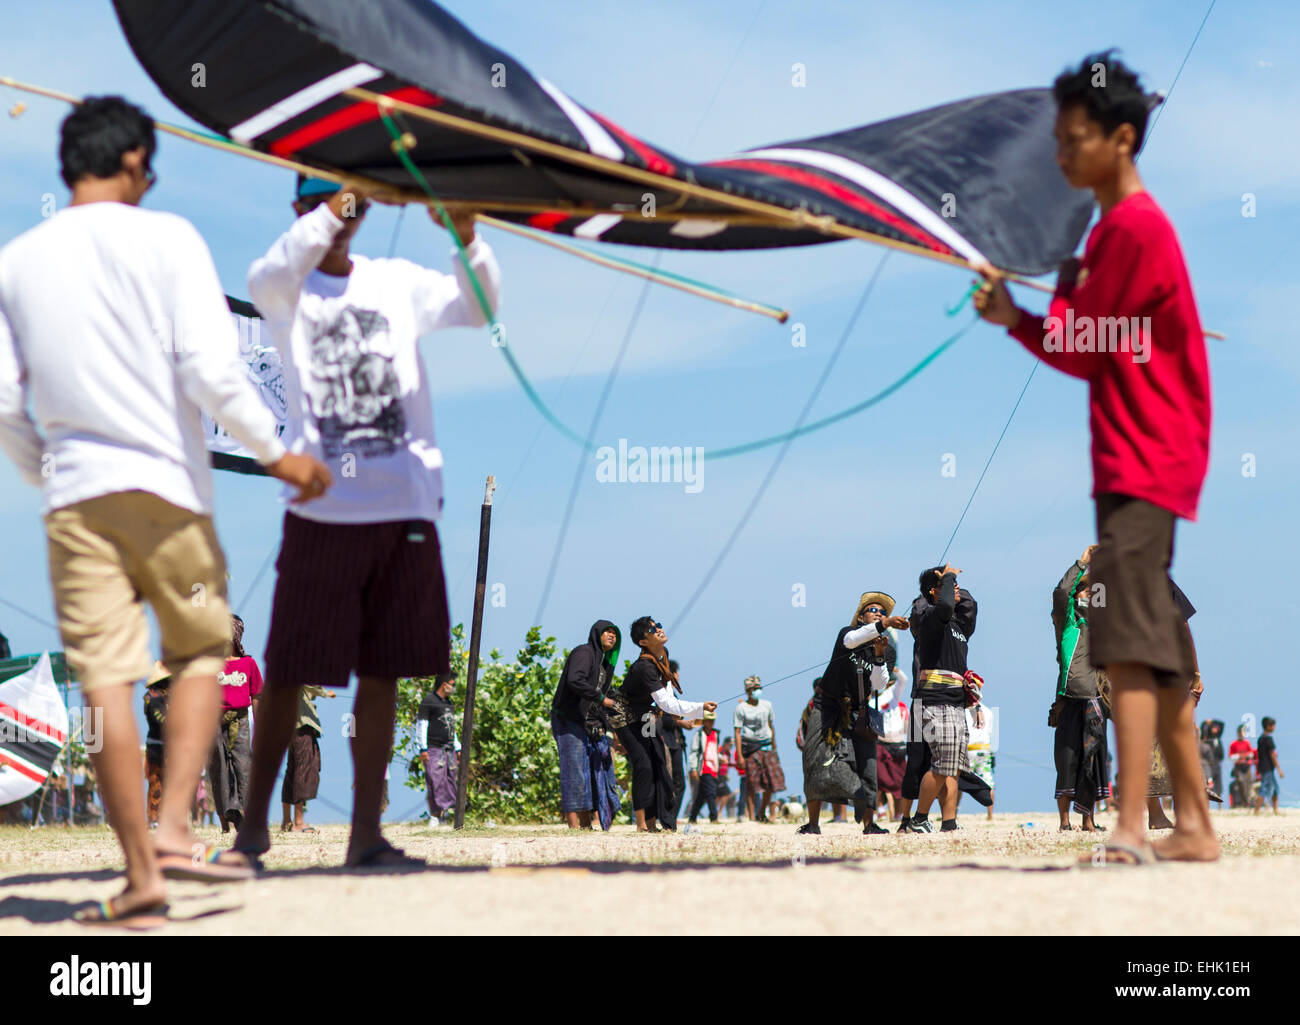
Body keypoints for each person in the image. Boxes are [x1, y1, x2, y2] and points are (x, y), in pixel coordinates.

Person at [0, 97, 331, 924]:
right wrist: (279, 452)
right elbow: (215, 373)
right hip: (171, 492)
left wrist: (50, 472)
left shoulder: (18, 261)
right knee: (196, 656)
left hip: (79, 499)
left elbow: (7, 402)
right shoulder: (170, 239)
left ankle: (142, 869)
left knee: (109, 682)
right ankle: (177, 829)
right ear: (139, 160)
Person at [976, 52, 1215, 865]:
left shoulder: (1137, 228)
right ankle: (1195, 828)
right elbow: (1093, 340)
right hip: (1137, 459)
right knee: (1160, 646)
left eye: (1075, 138)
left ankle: (1130, 828)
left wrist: (1019, 314)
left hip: (1149, 458)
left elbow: (1084, 341)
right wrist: (1048, 299)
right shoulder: (1113, 231)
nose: (1060, 154)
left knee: (1123, 635)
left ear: (1121, 136)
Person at [232, 175, 498, 869]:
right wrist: (343, 200)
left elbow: (476, 305)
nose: (339, 216)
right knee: (290, 667)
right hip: (324, 505)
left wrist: (466, 233)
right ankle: (252, 830)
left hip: (402, 504)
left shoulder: (394, 282)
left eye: (351, 202)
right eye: (322, 203)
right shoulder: (281, 287)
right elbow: (279, 263)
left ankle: (365, 836)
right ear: (300, 210)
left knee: (384, 671)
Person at [803, 593, 911, 835]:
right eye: (873, 610)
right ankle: (812, 825)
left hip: (858, 712)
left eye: (883, 612)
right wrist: (886, 624)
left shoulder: (886, 648)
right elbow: (853, 640)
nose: (879, 614)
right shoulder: (847, 633)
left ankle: (869, 824)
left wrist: (880, 656)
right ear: (862, 616)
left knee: (868, 765)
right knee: (816, 760)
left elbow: (879, 684)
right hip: (828, 705)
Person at [617, 617, 716, 832]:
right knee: (643, 765)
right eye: (652, 629)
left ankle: (657, 822)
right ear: (643, 642)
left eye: (658, 624)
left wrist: (689, 710)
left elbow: (667, 691)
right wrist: (700, 707)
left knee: (658, 762)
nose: (659, 629)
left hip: (645, 715)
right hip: (624, 717)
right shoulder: (644, 667)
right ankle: (642, 824)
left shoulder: (663, 655)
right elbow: (667, 703)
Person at [904, 565, 978, 833]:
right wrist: (944, 579)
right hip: (934, 701)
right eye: (950, 586)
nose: (956, 589)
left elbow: (969, 602)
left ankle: (949, 823)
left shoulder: (959, 625)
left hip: (955, 702)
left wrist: (950, 577)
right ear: (933, 593)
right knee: (941, 763)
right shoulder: (930, 618)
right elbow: (945, 605)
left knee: (953, 766)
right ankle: (919, 819)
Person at [1050, 548, 1110, 832]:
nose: (1088, 595)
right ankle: (1064, 821)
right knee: (1067, 758)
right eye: (1083, 591)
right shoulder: (1067, 622)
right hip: (1070, 697)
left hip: (1097, 699)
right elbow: (1061, 593)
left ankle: (1088, 820)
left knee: (1094, 761)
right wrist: (1082, 564)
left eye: (1091, 591)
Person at [551, 621, 621, 829]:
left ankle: (585, 824)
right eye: (608, 631)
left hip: (587, 723)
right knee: (574, 771)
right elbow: (575, 680)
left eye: (615, 633)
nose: (612, 635)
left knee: (590, 771)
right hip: (567, 719)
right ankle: (574, 825)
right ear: (597, 633)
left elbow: (607, 695)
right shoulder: (584, 652)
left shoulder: (606, 665)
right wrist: (602, 699)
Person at [209, 615, 263, 833]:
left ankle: (247, 817)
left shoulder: (248, 664)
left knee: (243, 768)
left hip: (240, 721)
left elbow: (257, 695)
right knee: (218, 768)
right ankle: (224, 821)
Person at [734, 676, 785, 824]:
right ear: (747, 691)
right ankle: (751, 815)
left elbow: (771, 726)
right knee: (752, 782)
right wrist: (740, 756)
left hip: (767, 746)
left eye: (758, 688)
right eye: (754, 689)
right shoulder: (741, 708)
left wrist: (775, 748)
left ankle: (762, 812)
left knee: (770, 782)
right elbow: (737, 732)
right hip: (750, 747)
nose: (757, 691)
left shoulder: (767, 705)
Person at [282, 684, 333, 832]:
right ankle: (298, 822)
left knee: (292, 771)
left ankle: (287, 821)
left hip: (291, 727)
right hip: (301, 728)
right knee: (302, 772)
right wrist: (325, 693)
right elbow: (310, 684)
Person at [417, 673, 458, 822]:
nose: (453, 688)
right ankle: (436, 814)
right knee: (435, 780)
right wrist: (423, 748)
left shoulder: (449, 704)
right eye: (452, 684)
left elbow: (452, 727)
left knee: (451, 779)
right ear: (444, 684)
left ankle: (450, 813)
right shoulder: (428, 701)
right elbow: (422, 725)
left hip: (449, 749)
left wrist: (457, 747)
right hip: (434, 749)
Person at [142, 664, 171, 828]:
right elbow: (159, 719)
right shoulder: (152, 698)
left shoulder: (166, 697)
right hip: (157, 746)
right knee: (156, 782)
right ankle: (154, 818)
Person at [687, 710, 721, 824]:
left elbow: (714, 751)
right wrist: (693, 769)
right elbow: (694, 752)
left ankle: (692, 817)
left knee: (701, 795)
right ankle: (714, 817)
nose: (711, 722)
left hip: (714, 768)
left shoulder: (716, 734)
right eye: (709, 720)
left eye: (713, 720)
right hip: (704, 768)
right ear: (704, 721)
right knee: (711, 792)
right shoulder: (699, 734)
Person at [1255, 718, 1282, 815]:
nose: (1274, 727)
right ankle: (1256, 811)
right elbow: (1272, 755)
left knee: (1275, 789)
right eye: (1273, 725)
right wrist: (1279, 768)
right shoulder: (1268, 739)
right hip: (1268, 768)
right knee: (1264, 789)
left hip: (1264, 767)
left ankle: (1276, 810)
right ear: (1268, 726)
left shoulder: (1261, 738)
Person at [1228, 725, 1256, 809]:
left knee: (1249, 783)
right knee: (1241, 783)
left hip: (1247, 767)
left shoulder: (1247, 743)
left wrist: (1247, 756)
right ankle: (1243, 802)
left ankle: (1249, 802)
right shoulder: (1233, 744)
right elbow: (1231, 756)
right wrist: (1239, 756)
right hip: (1238, 767)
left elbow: (1251, 754)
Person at [716, 737, 737, 819]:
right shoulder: (719, 749)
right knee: (726, 793)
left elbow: (728, 764)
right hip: (718, 775)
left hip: (723, 776)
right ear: (725, 743)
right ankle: (719, 812)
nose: (731, 747)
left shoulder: (728, 753)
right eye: (730, 745)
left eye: (732, 745)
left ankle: (714, 811)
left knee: (718, 796)